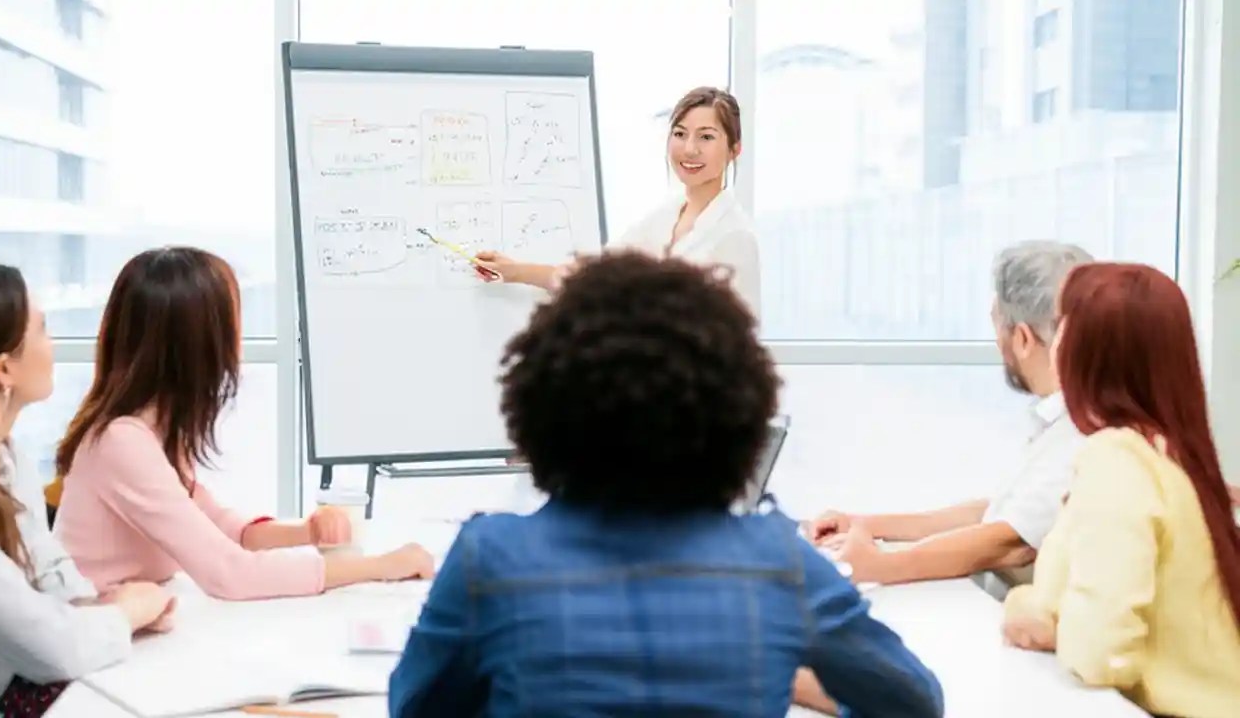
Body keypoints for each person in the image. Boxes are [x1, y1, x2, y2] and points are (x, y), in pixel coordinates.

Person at [388, 252, 942, 718]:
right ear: (738, 409)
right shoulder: (782, 565)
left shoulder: (490, 561)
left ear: (540, 405)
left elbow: (416, 708)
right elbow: (914, 704)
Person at [52, 248, 435, 601]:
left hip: (122, 628)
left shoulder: (153, 431)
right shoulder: (122, 442)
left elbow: (229, 531)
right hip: (89, 646)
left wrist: (307, 531)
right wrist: (380, 567)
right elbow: (228, 574)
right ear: (200, 342)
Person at [1001, 263, 1240, 718]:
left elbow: (1100, 654)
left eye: (1063, 322)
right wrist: (1037, 608)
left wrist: (1037, 615)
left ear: (1090, 348)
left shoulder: (1118, 460)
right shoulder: (1171, 453)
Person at [804, 241, 1092, 593]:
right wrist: (866, 525)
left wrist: (880, 565)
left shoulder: (1083, 436)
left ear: (1023, 338)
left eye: (997, 327)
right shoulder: (1059, 421)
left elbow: (1009, 541)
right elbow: (998, 514)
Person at [0, 264, 176, 718]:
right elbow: (49, 644)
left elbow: (46, 565)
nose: (52, 344)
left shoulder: (4, 455)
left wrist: (98, 606)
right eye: (43, 329)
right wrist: (128, 612)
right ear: (5, 368)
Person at [474, 86, 761, 315]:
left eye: (706, 137)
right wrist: (515, 271)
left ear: (734, 149)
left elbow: (741, 342)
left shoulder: (735, 235)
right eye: (680, 134)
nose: (689, 149)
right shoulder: (663, 218)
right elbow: (593, 277)